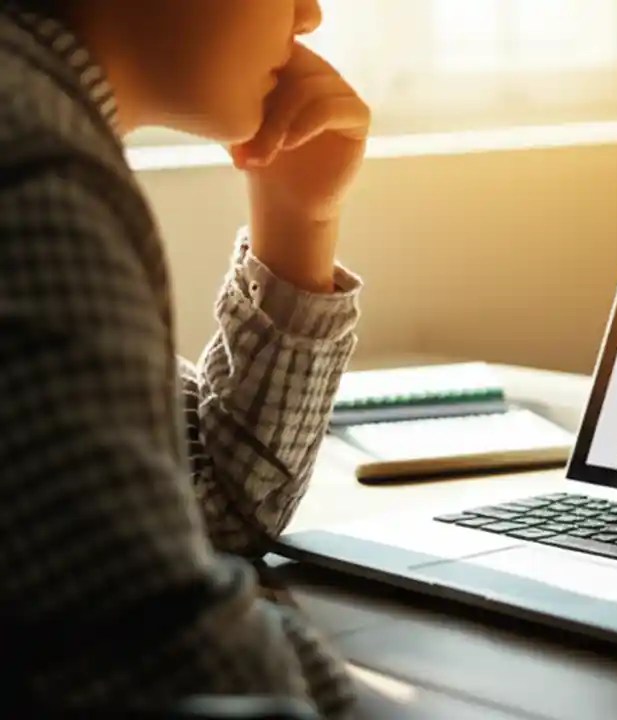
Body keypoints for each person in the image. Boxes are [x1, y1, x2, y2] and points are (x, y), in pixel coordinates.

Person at [0, 0, 370, 716]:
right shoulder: (34, 176)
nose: (308, 14)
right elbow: (179, 667)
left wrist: (298, 222)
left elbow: (208, 508)